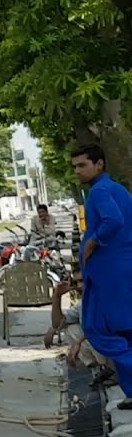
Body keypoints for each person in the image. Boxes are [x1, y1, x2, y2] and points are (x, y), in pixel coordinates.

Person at [71, 144, 132, 407]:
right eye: (75, 166)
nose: (78, 171)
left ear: (99, 164)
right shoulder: (116, 189)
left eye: (82, 165)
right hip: (116, 271)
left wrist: (93, 242)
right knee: (123, 331)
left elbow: (113, 220)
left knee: (99, 329)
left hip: (111, 274)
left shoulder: (100, 191)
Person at [45, 277, 114, 385]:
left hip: (117, 346)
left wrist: (78, 342)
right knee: (70, 329)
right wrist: (57, 296)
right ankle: (102, 368)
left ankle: (113, 371)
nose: (79, 286)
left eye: (82, 281)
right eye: (75, 282)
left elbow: (101, 328)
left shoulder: (105, 297)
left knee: (94, 335)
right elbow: (58, 323)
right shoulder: (83, 303)